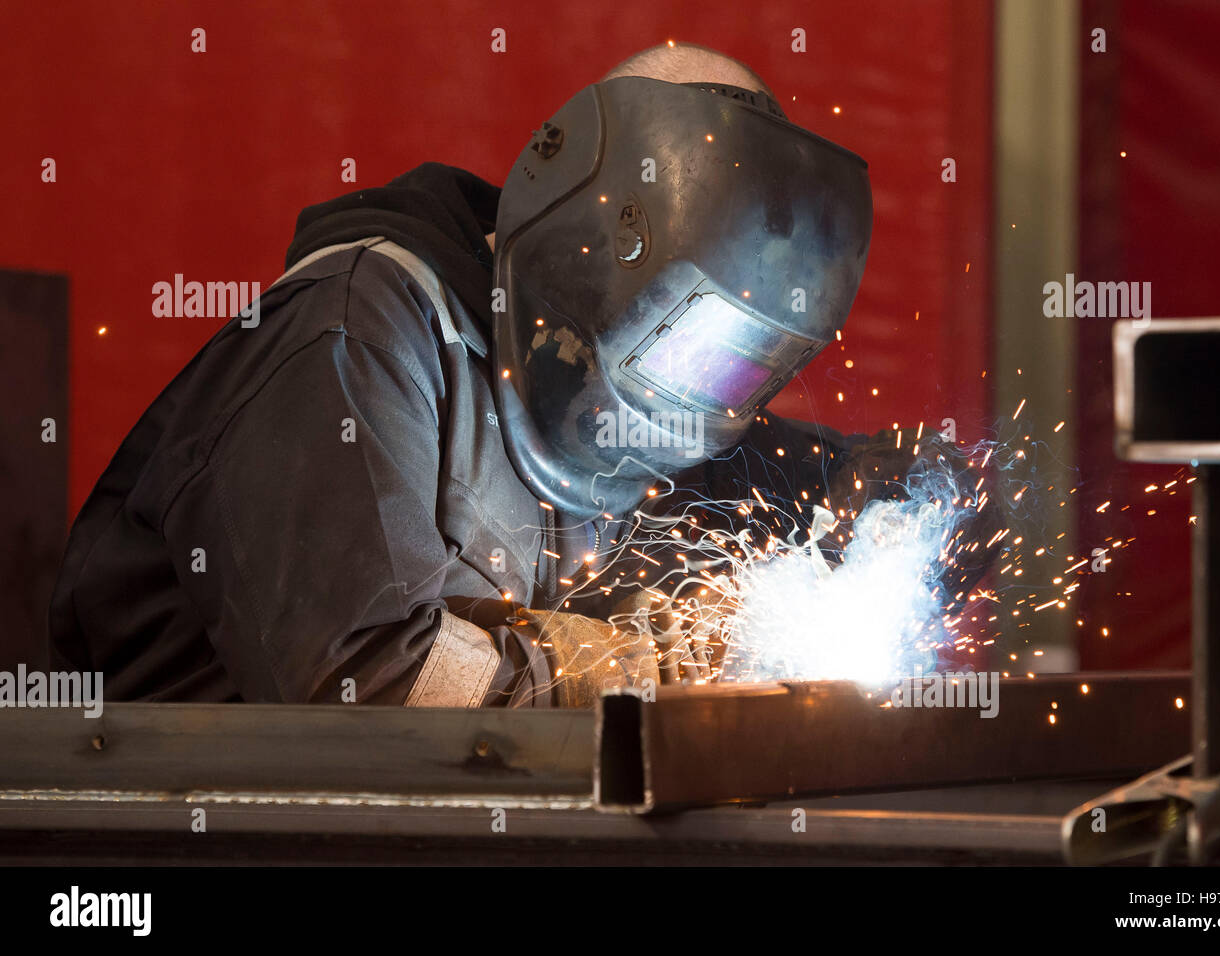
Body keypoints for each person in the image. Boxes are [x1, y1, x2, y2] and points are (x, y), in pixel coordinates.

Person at [48, 42, 994, 708]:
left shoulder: (682, 416)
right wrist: (653, 665)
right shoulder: (362, 335)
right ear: (594, 235)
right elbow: (366, 685)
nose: (694, 391)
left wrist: (922, 512)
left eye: (739, 370)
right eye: (683, 340)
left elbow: (838, 489)